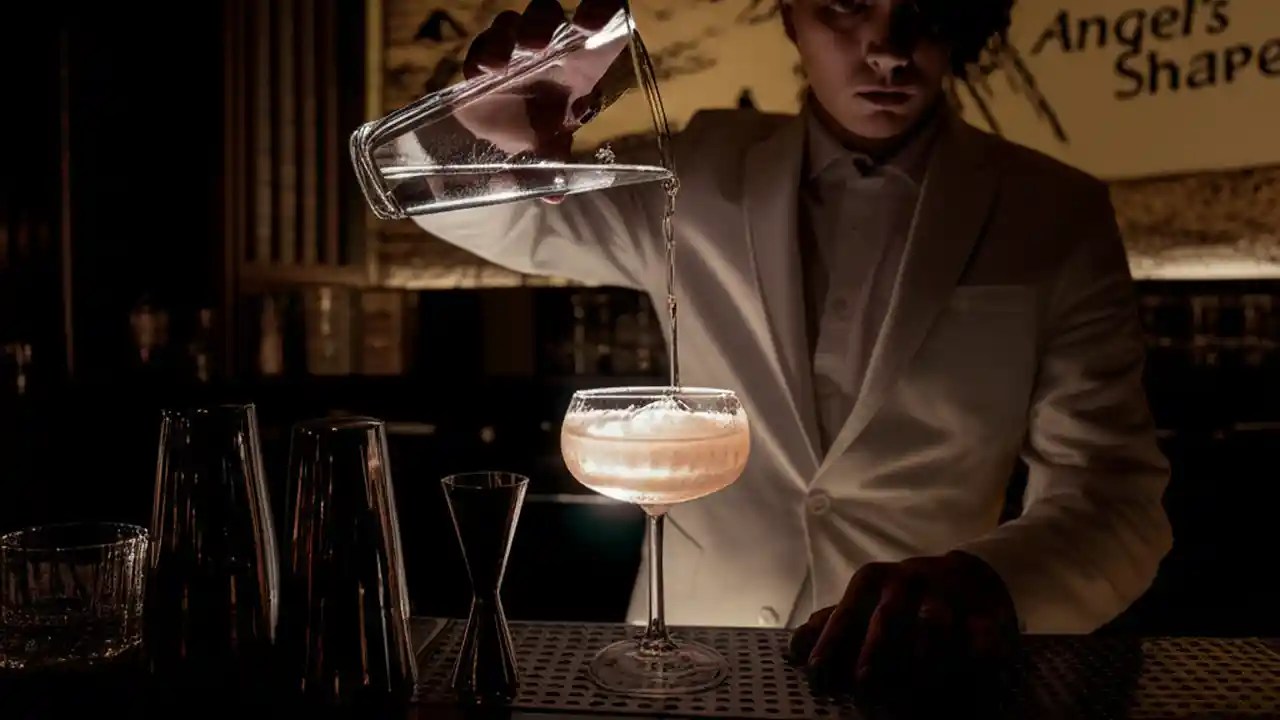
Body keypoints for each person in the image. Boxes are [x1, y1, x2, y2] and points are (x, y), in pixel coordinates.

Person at [413, 0, 1173, 698]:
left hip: (916, 678)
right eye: (844, 5)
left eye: (923, 9)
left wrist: (991, 583)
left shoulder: (1053, 214)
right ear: (788, 14)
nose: (886, 49)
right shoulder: (695, 173)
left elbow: (1114, 498)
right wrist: (476, 125)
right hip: (678, 667)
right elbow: (468, 211)